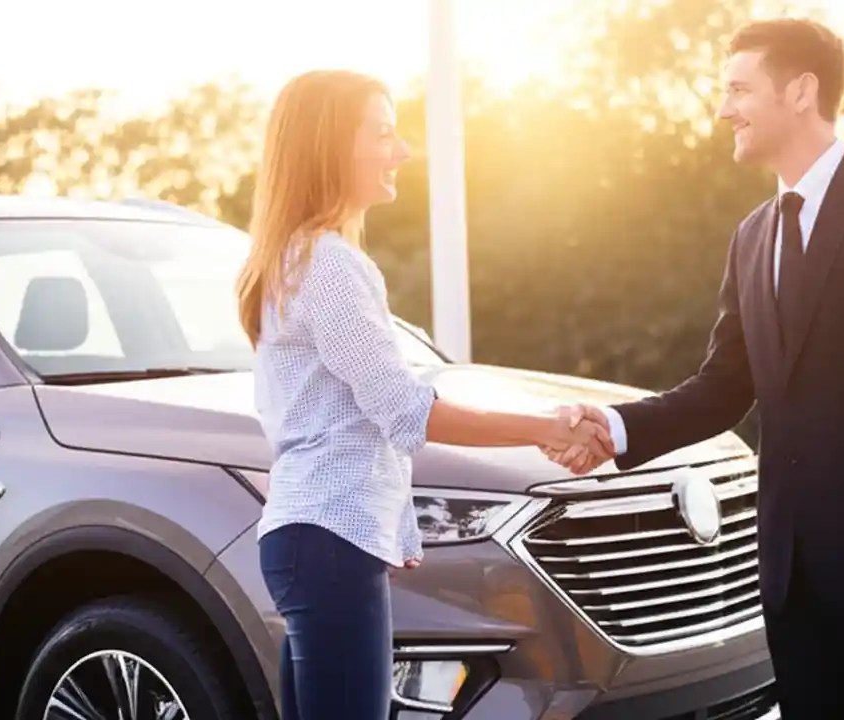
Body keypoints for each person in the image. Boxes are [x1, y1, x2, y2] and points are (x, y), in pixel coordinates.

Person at [548, 19, 844, 720]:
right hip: (788, 573)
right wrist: (615, 428)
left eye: (739, 89)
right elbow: (723, 388)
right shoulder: (752, 237)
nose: (723, 110)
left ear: (801, 92)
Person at [236, 69, 614, 720]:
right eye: (382, 133)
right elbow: (406, 411)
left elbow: (350, 420)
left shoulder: (294, 259)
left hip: (314, 540)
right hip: (328, 545)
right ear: (329, 146)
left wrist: (397, 528)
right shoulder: (328, 266)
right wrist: (546, 426)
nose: (403, 150)